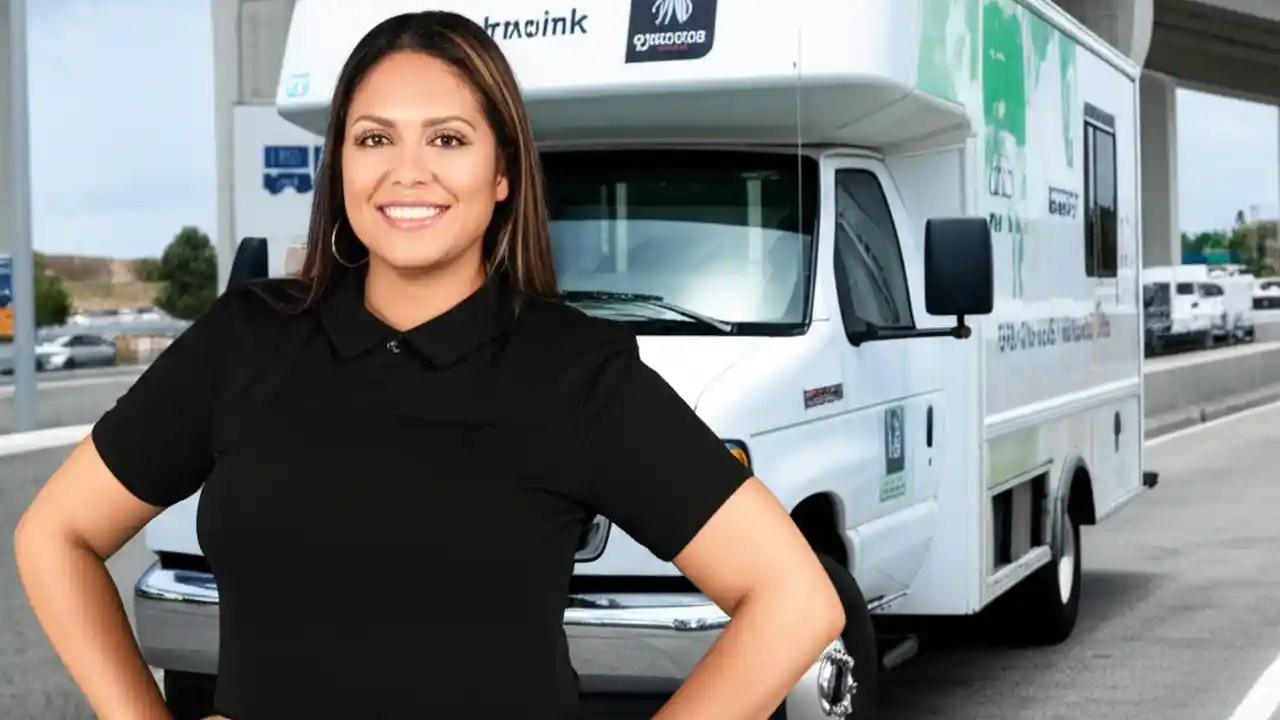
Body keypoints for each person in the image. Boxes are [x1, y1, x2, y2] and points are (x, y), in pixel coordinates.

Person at [13, 10, 845, 720]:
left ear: (503, 175)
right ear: (340, 167)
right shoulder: (247, 340)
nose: (407, 170)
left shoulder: (576, 372)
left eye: (447, 139)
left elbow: (795, 599)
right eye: (375, 138)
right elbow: (57, 533)